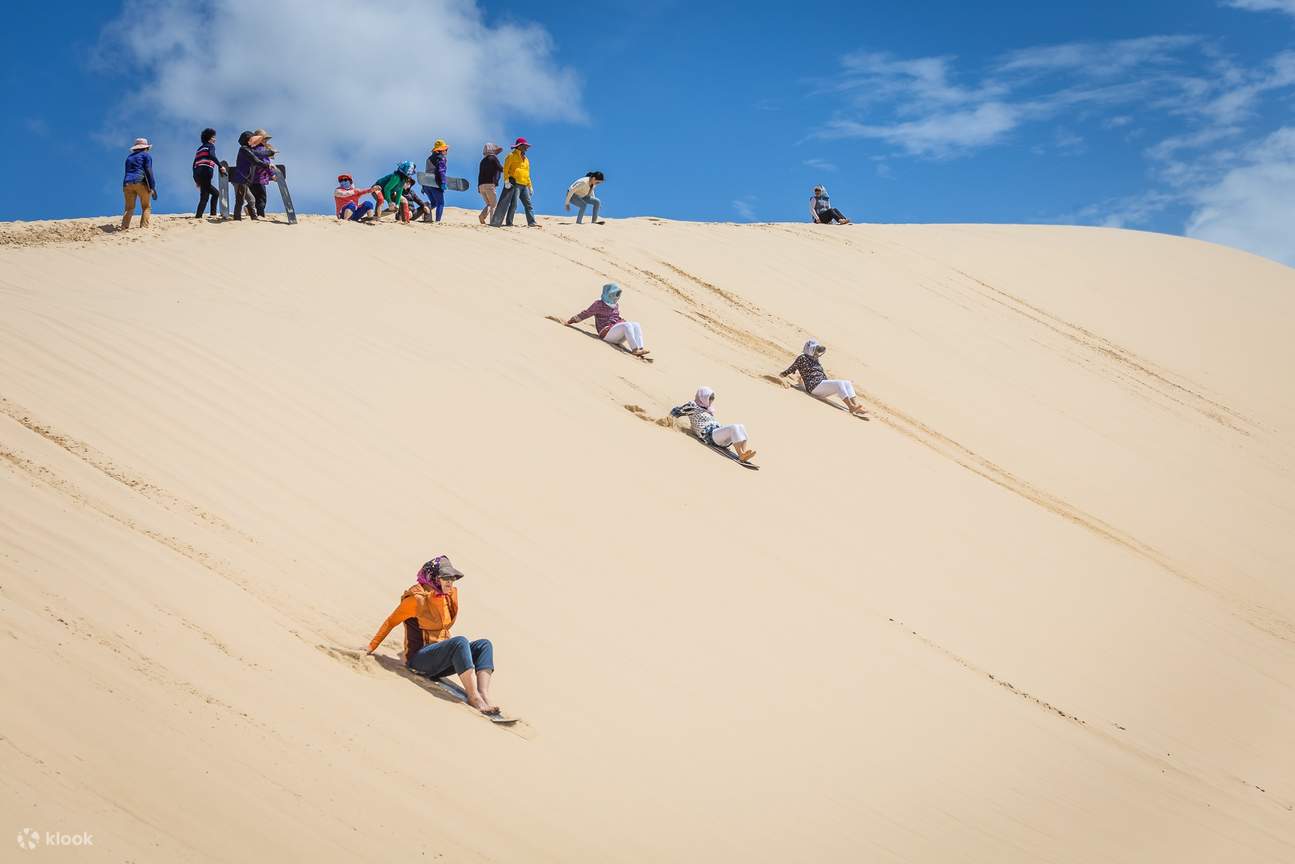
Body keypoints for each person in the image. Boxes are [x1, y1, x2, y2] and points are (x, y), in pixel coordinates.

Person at [366, 556, 500, 715]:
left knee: (484, 645)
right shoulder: (416, 599)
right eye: (445, 578)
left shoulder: (446, 596)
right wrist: (371, 647)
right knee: (460, 642)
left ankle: (484, 694)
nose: (450, 582)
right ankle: (474, 697)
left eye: (452, 578)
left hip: (439, 660)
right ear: (433, 578)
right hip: (418, 660)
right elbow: (390, 622)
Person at [780, 340, 869, 417]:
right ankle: (851, 407)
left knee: (847, 383)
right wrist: (782, 375)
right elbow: (792, 368)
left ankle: (856, 405)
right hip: (813, 387)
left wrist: (828, 383)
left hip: (820, 386)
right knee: (839, 383)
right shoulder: (802, 358)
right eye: (815, 349)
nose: (817, 352)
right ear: (810, 349)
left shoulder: (815, 359)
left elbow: (820, 373)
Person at [670, 387, 757, 462]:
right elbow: (677, 411)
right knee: (734, 427)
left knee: (741, 426)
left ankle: (744, 453)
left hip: (718, 436)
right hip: (709, 435)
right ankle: (741, 455)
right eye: (710, 398)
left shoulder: (708, 408)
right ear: (702, 397)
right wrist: (669, 420)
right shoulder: (692, 406)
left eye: (713, 398)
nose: (711, 400)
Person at [567, 282, 649, 356]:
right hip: (606, 333)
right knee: (626, 325)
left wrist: (621, 322)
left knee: (635, 324)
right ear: (608, 294)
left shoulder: (616, 305)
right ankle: (635, 349)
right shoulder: (599, 304)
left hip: (615, 335)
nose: (617, 297)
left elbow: (615, 317)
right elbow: (586, 313)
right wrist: (572, 320)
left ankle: (640, 348)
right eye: (615, 294)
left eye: (618, 294)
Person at [491, 137, 538, 228]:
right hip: (515, 184)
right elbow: (506, 169)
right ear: (519, 146)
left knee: (528, 205)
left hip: (524, 185)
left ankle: (532, 222)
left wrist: (530, 186)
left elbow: (527, 174)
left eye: (527, 146)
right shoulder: (511, 156)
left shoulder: (526, 159)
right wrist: (506, 181)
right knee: (514, 204)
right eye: (525, 146)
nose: (526, 148)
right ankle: (509, 222)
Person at [121, 138, 156, 230]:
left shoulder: (129, 158)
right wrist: (152, 186)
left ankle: (124, 227)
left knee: (129, 208)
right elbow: (148, 170)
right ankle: (144, 227)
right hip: (140, 182)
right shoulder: (146, 155)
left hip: (127, 183)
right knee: (146, 207)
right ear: (146, 148)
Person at [192, 128, 224, 219]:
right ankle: (212, 214)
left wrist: (196, 180)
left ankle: (199, 216)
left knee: (205, 196)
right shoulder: (210, 146)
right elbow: (212, 156)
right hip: (205, 173)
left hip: (198, 174)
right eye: (213, 137)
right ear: (209, 138)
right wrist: (220, 166)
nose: (215, 139)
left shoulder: (199, 149)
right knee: (214, 194)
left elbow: (194, 164)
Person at [248, 130, 277, 219]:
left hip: (250, 179)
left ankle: (249, 208)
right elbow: (266, 164)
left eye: (266, 139)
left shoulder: (251, 149)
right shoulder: (262, 150)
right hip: (259, 178)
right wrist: (272, 175)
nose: (265, 141)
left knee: (255, 197)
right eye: (264, 139)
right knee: (261, 199)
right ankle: (260, 216)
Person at [421, 139, 449, 223]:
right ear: (441, 150)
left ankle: (423, 212)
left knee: (433, 203)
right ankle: (437, 221)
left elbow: (427, 171)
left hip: (426, 184)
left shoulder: (428, 158)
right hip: (435, 184)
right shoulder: (442, 158)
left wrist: (423, 185)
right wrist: (443, 182)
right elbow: (441, 171)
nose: (447, 151)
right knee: (440, 203)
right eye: (446, 149)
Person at [477, 142, 503, 224]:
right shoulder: (493, 158)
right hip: (489, 184)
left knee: (489, 204)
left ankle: (482, 216)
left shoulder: (482, 161)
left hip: (481, 186)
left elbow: (480, 174)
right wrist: (508, 170)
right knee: (494, 205)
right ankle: (493, 222)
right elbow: (500, 168)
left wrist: (478, 187)